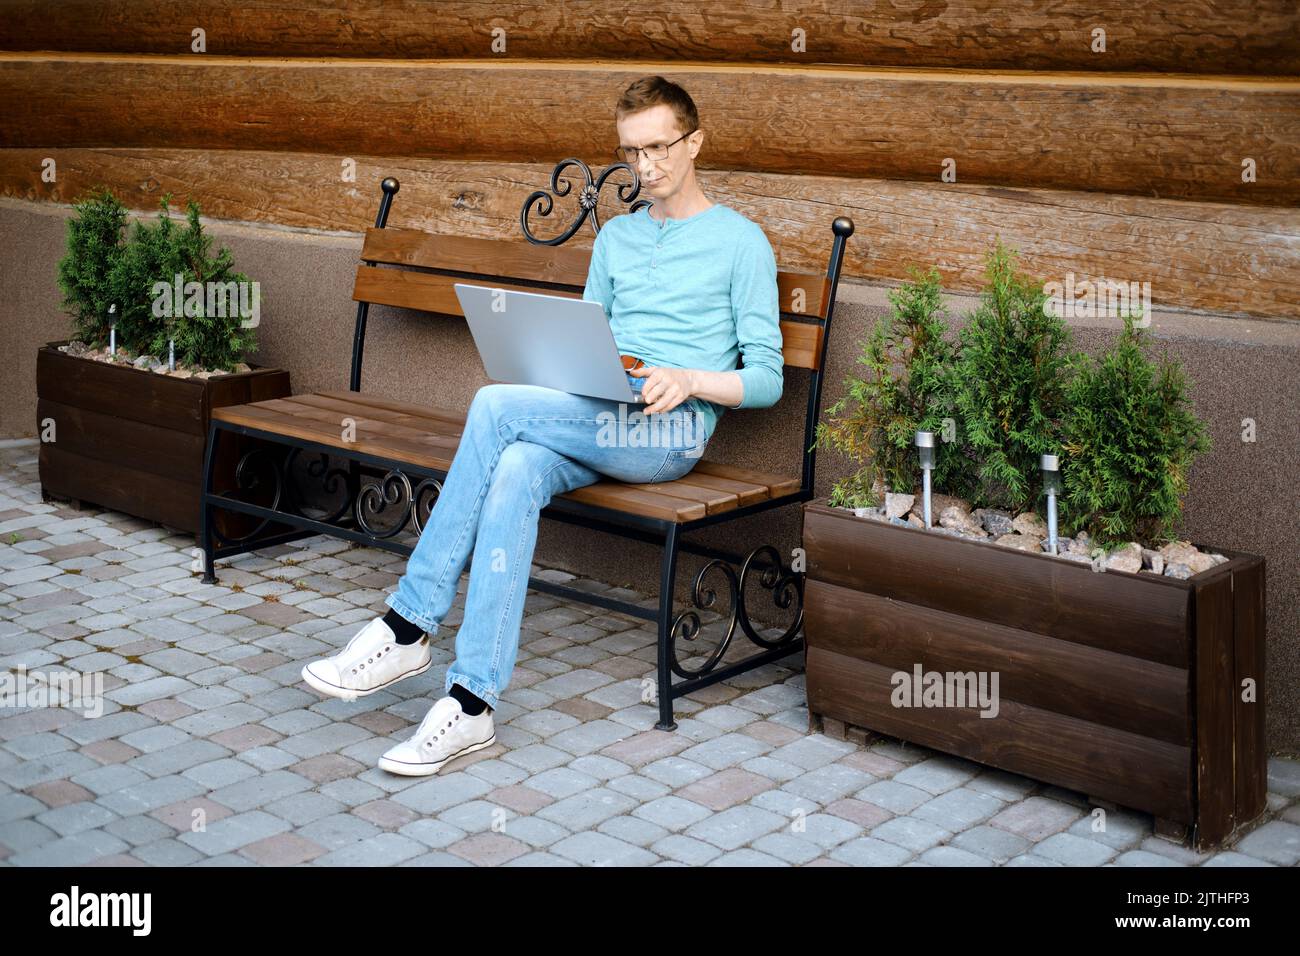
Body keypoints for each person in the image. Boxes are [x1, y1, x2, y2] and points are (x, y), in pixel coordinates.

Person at [299, 75, 785, 775]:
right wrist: (575, 364)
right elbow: (584, 336)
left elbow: (766, 378)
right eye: (630, 152)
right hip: (594, 414)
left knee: (496, 406)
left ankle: (408, 623)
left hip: (666, 433)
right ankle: (472, 705)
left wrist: (690, 380)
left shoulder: (741, 243)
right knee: (518, 469)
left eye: (658, 149)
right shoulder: (617, 238)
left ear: (695, 143)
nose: (644, 167)